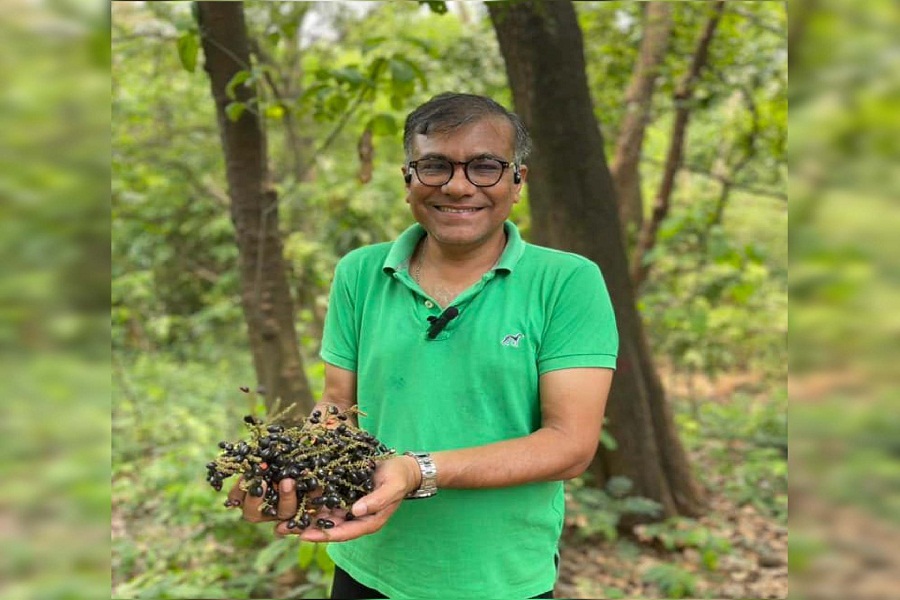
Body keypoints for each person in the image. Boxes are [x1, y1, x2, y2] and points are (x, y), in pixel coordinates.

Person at [228, 92, 618, 599]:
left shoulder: (567, 282)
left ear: (518, 182)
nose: (458, 186)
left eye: (485, 167)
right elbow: (338, 405)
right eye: (434, 166)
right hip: (367, 564)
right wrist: (299, 472)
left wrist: (418, 471)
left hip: (499, 580)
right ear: (409, 179)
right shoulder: (359, 273)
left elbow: (570, 444)